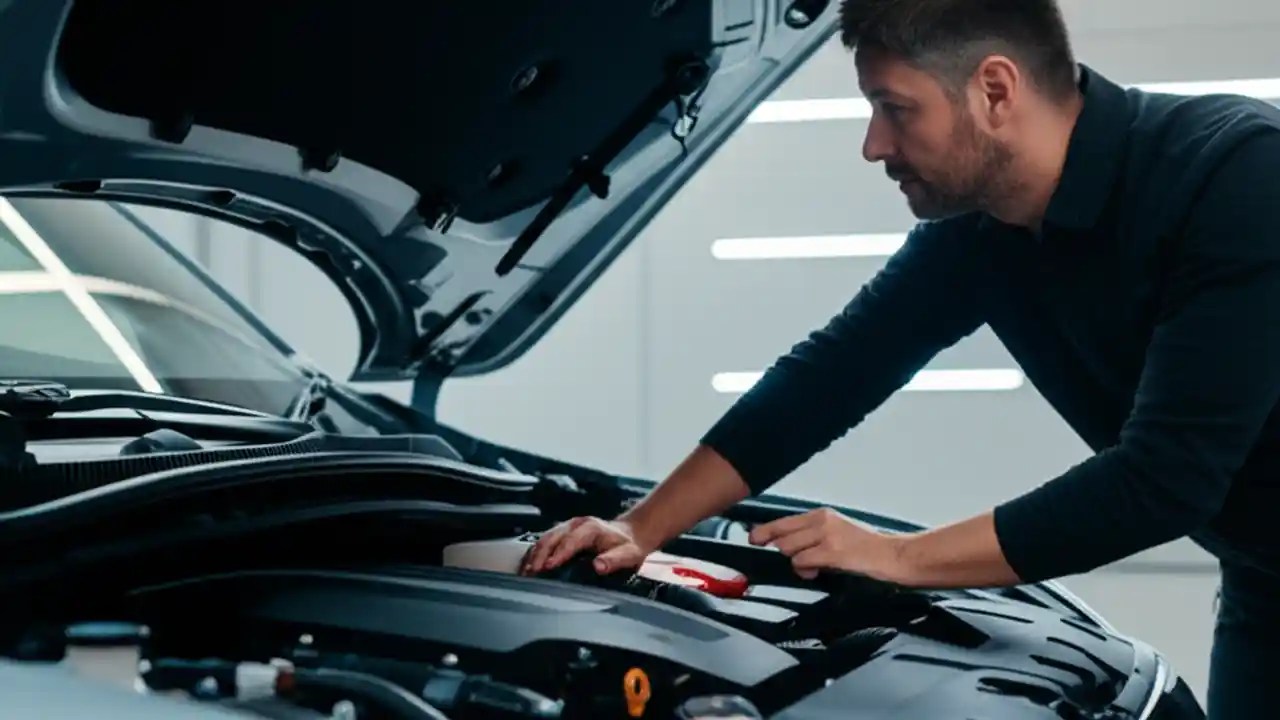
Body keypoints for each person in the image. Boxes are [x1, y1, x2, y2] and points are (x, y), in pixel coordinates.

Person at [523, 0, 1280, 715]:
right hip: (1262, 574)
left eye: (895, 107)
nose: (873, 144)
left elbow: (1161, 481)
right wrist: (637, 528)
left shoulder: (1239, 176)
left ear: (994, 88)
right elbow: (832, 374)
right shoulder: (982, 233)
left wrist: (898, 558)